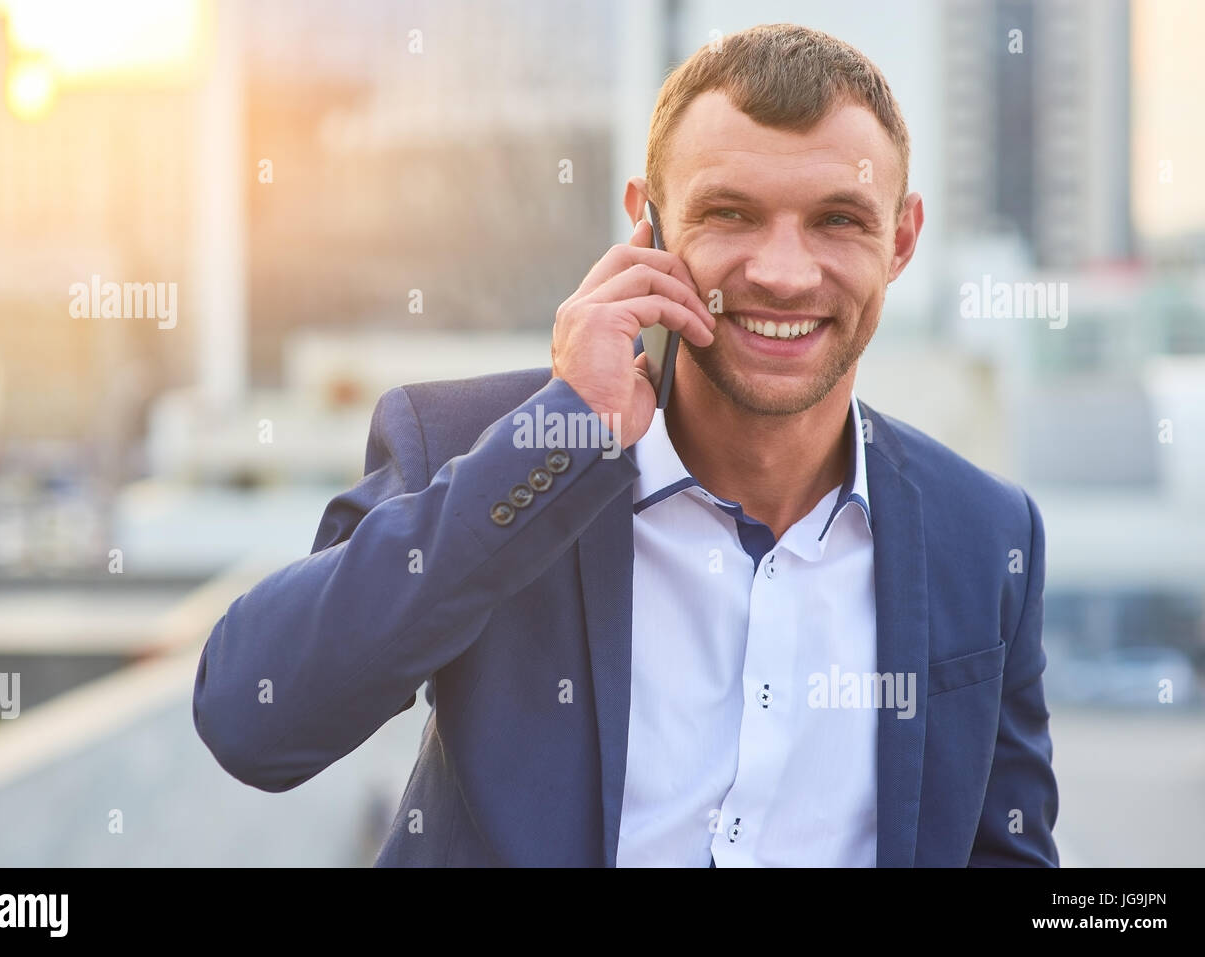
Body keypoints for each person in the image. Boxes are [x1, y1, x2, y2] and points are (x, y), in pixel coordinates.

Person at [192, 22, 1058, 867]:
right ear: (648, 224)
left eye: (838, 220)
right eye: (730, 213)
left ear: (901, 239)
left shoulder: (986, 535)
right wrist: (562, 435)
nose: (785, 273)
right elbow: (252, 719)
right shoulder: (476, 447)